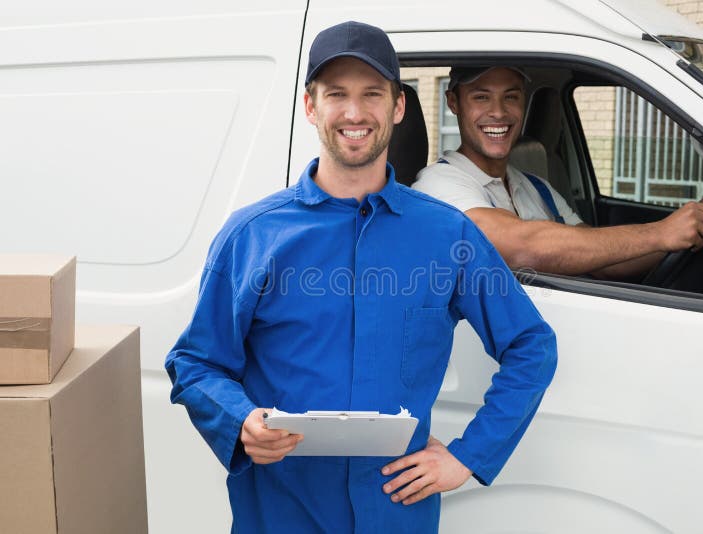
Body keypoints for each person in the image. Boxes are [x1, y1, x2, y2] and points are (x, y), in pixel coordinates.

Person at [165, 22, 557, 534]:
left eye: (372, 94)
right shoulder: (252, 236)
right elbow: (196, 363)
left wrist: (468, 457)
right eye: (337, 95)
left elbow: (531, 345)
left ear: (397, 108)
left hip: (396, 510)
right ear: (311, 106)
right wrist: (239, 420)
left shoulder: (446, 234)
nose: (354, 113)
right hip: (280, 510)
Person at [413, 66, 703, 280]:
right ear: (454, 103)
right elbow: (521, 246)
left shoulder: (535, 186)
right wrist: (658, 233)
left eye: (511, 97)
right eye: (481, 97)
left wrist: (702, 212)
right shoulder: (438, 186)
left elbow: (599, 260)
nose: (498, 112)